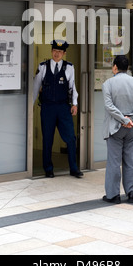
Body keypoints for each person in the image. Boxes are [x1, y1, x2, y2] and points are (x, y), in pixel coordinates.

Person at [33, 40, 83, 179]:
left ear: (64, 53)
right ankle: (48, 169)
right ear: (51, 51)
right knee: (47, 139)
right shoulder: (43, 67)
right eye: (55, 50)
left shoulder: (69, 68)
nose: (57, 53)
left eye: (60, 52)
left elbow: (73, 87)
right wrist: (31, 106)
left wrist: (74, 104)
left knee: (71, 138)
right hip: (47, 107)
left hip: (63, 108)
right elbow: (35, 87)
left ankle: (74, 168)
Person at [102, 55, 133, 204]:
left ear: (115, 67)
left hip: (115, 128)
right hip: (132, 128)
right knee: (130, 160)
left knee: (114, 162)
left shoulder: (108, 84)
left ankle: (113, 195)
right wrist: (131, 119)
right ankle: (131, 192)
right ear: (127, 68)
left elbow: (109, 107)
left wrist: (123, 119)